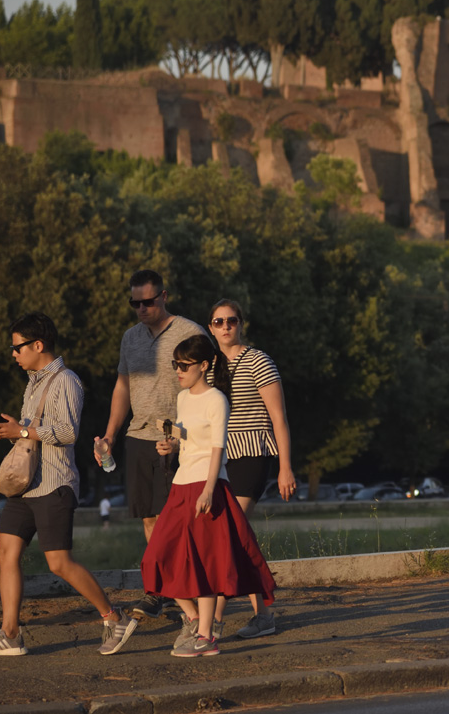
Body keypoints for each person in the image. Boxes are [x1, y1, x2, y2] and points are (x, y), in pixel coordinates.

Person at [0, 312, 137, 657]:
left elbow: (67, 433)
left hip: (53, 484)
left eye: (17, 347)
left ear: (38, 344)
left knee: (59, 563)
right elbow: (33, 434)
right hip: (25, 486)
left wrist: (20, 430)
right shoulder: (33, 383)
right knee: (7, 552)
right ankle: (11, 634)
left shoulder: (66, 380)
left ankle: (114, 617)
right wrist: (13, 430)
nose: (13, 354)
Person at [140, 335, 276, 657]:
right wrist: (170, 446)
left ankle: (206, 638)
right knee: (156, 557)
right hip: (181, 484)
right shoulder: (183, 398)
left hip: (207, 486)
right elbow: (189, 440)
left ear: (204, 365)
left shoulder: (217, 399)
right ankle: (194, 619)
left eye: (184, 365)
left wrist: (209, 489)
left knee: (205, 565)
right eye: (175, 364)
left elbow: (218, 448)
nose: (178, 370)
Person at [95, 269, 205, 620]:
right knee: (149, 518)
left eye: (148, 301)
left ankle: (184, 589)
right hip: (139, 436)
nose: (141, 308)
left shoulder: (190, 332)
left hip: (178, 440)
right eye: (135, 303)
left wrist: (186, 435)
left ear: (164, 296)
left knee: (180, 520)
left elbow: (209, 388)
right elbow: (122, 387)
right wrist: (111, 434)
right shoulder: (130, 338)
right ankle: (160, 589)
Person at [207, 299, 295, 638]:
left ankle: (211, 624)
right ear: (211, 327)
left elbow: (279, 418)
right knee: (239, 540)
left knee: (227, 537)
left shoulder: (258, 360)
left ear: (240, 324)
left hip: (254, 455)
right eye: (218, 322)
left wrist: (285, 468)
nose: (226, 326)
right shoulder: (210, 365)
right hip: (222, 459)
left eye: (231, 320)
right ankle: (264, 616)